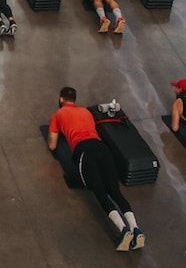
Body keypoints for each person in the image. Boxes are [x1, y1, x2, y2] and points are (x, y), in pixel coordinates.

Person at [47, 86, 145, 251]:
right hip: (102, 148)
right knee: (115, 192)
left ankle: (123, 230)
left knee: (99, 191)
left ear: (61, 99)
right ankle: (135, 228)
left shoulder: (58, 115)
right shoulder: (86, 112)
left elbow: (52, 144)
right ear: (74, 99)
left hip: (84, 151)